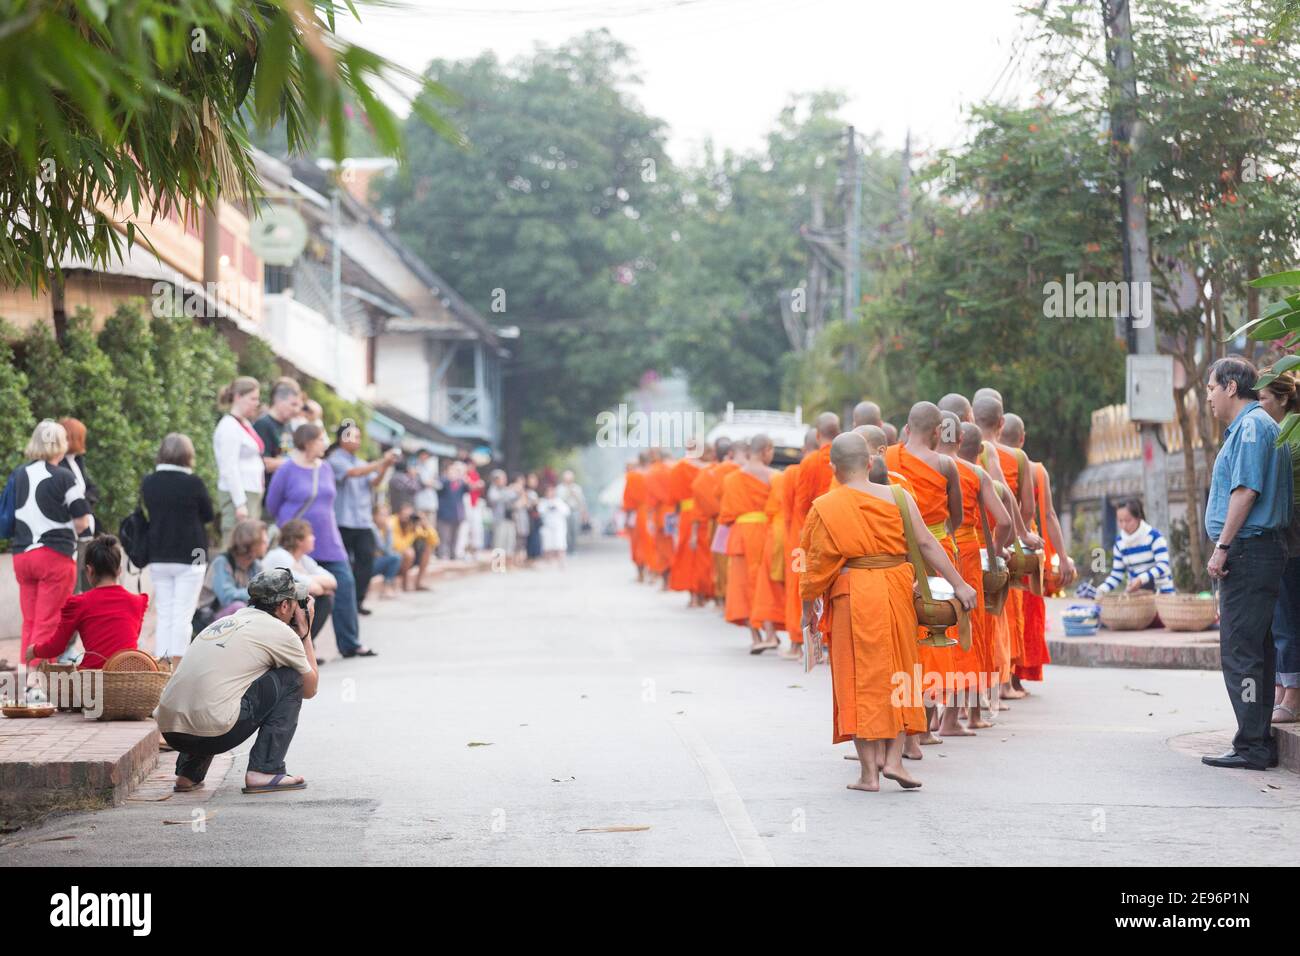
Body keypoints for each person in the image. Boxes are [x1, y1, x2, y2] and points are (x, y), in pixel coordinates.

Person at [800, 431, 977, 792]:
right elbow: (927, 542)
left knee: (858, 677)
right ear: (869, 463)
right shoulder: (899, 496)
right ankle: (895, 760)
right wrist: (960, 584)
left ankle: (868, 774)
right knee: (900, 671)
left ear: (834, 468)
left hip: (851, 594)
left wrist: (808, 611)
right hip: (896, 588)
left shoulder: (825, 507)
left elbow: (812, 567)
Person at [1201, 356, 1292, 772]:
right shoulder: (1252, 427)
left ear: (1231, 388)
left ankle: (1252, 744)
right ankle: (1256, 741)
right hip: (1256, 551)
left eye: (1211, 388)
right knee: (1254, 650)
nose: (1209, 397)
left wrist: (1222, 546)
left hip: (1250, 551)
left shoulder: (1253, 428)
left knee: (1241, 651)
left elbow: (1246, 492)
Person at [159, 568, 319, 795]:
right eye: (295, 603)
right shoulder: (281, 633)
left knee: (219, 688)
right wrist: (305, 632)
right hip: (213, 733)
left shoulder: (223, 622)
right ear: (284, 606)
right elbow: (309, 687)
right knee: (292, 678)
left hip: (171, 731)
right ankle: (264, 770)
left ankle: (188, 774)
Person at [265, 424, 374, 658]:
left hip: (327, 537)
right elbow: (272, 504)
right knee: (301, 593)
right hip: (297, 539)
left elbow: (329, 502)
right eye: (320, 440)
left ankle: (350, 643)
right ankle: (300, 649)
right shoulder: (287, 469)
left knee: (344, 582)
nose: (325, 443)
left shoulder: (325, 468)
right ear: (307, 442)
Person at [10, 420, 91, 669]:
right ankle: (39, 679)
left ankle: (27, 676)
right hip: (55, 556)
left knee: (31, 619)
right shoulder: (65, 478)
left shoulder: (19, 474)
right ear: (61, 445)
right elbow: (81, 521)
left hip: (22, 555)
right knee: (50, 621)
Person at [141, 433, 215, 663]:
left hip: (159, 553)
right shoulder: (194, 483)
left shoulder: (149, 482)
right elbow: (208, 515)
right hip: (193, 554)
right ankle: (178, 663)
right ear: (188, 455)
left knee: (164, 611)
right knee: (183, 612)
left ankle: (162, 661)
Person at [26, 535, 147, 669]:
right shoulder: (137, 602)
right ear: (119, 570)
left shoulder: (78, 603)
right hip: (130, 679)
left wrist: (34, 650)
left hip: (92, 680)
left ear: (89, 571)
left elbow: (56, 647)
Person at [1259, 367, 1300, 725]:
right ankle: (1280, 688)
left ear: (1283, 399)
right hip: (1282, 534)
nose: (1258, 405)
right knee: (1279, 617)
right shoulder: (1276, 432)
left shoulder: (1292, 433)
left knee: (1287, 615)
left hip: (1294, 534)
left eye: (1262, 398)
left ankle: (1293, 694)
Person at [326, 420, 399, 617]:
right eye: (353, 436)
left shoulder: (362, 462)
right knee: (342, 564)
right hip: (342, 520)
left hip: (363, 521)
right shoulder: (334, 459)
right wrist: (380, 462)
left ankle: (357, 601)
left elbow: (374, 481)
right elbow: (353, 474)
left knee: (365, 562)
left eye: (359, 436)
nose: (357, 440)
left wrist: (385, 466)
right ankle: (339, 602)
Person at [719, 437, 775, 653]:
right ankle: (771, 634)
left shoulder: (732, 479)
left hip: (741, 536)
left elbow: (725, 516)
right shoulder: (775, 477)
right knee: (765, 584)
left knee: (744, 586)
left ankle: (756, 636)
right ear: (766, 450)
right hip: (765, 535)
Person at [262, 518, 336, 648]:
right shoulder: (280, 555)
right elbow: (313, 587)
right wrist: (312, 580)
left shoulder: (303, 559)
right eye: (310, 535)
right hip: (270, 608)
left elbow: (332, 581)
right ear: (298, 540)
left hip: (286, 607)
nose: (314, 538)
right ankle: (299, 645)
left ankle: (304, 644)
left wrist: (307, 577)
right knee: (318, 596)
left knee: (325, 597)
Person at [213, 376, 266, 548]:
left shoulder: (245, 423)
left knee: (249, 545)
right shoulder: (229, 426)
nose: (256, 403)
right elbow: (229, 468)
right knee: (233, 545)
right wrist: (240, 503)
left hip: (251, 491)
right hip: (239, 494)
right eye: (252, 398)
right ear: (237, 397)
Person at [1095, 498, 1174, 596]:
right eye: (1120, 521)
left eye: (1128, 520)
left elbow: (1163, 565)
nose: (1123, 525)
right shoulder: (1120, 543)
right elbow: (1117, 574)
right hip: (1137, 595)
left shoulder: (1154, 537)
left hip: (1162, 594)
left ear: (1138, 517)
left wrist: (1141, 579)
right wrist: (1101, 590)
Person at [55, 417, 99, 593]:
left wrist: (84, 503)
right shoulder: (59, 464)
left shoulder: (78, 460)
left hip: (87, 524)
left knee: (88, 576)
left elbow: (91, 488)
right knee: (73, 581)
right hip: (72, 527)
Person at [201, 519, 268, 621]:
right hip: (210, 618)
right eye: (263, 541)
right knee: (238, 607)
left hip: (238, 617)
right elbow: (227, 597)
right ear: (249, 542)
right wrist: (257, 593)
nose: (267, 544)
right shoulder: (222, 562)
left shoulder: (256, 566)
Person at [252, 378, 303, 476]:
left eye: (298, 406)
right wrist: (296, 460)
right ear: (278, 400)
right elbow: (263, 463)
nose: (296, 410)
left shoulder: (288, 424)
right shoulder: (263, 424)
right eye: (293, 404)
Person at [390, 503, 438, 590]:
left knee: (427, 548)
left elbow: (434, 541)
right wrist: (412, 533)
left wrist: (426, 524)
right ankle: (405, 583)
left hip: (406, 561)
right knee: (409, 553)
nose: (406, 518)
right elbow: (398, 546)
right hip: (394, 559)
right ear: (399, 514)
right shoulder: (392, 522)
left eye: (409, 515)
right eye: (404, 515)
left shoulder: (412, 525)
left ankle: (419, 582)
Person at [435, 461, 468, 560]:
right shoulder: (443, 481)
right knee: (444, 537)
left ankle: (453, 554)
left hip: (457, 514)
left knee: (455, 537)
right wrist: (449, 478)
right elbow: (440, 487)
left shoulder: (461, 484)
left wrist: (463, 478)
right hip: (444, 513)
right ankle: (443, 554)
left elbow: (469, 488)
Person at [371, 503, 404, 596]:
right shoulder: (373, 528)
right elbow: (387, 551)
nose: (385, 518)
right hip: (368, 565)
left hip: (375, 561)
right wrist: (389, 531)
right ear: (374, 515)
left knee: (396, 556)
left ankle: (390, 586)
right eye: (382, 514)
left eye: (387, 515)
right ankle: (387, 587)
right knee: (395, 558)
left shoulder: (379, 529)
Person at [486, 470, 519, 563]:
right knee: (499, 542)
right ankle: (497, 565)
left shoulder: (506, 489)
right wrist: (509, 491)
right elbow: (495, 499)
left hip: (509, 519)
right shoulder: (493, 490)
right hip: (499, 520)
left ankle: (508, 563)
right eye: (501, 478)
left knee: (509, 542)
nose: (504, 480)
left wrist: (516, 490)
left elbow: (514, 497)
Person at [537, 485, 571, 567]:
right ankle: (548, 562)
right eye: (548, 491)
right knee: (547, 545)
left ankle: (561, 562)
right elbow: (540, 511)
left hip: (559, 526)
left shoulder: (559, 501)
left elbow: (567, 512)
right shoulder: (543, 502)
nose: (550, 493)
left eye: (552, 491)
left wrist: (556, 507)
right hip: (547, 526)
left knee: (560, 544)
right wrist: (548, 508)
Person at [557, 470, 588, 555]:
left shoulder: (577, 488)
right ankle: (567, 549)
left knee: (575, 530)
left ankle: (573, 549)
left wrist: (584, 513)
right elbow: (559, 500)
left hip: (575, 511)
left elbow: (582, 501)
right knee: (566, 531)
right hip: (564, 512)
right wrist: (568, 493)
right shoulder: (560, 488)